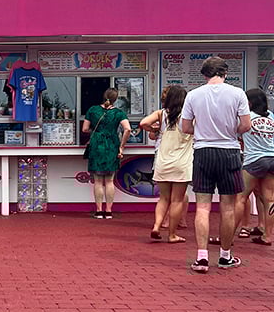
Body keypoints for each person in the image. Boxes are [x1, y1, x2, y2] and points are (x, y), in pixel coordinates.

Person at [181, 57, 251, 272]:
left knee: (202, 206)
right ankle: (225, 255)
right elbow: (246, 125)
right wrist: (231, 131)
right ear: (225, 72)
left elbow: (185, 127)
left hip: (203, 151)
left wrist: (202, 132)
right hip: (229, 151)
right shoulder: (238, 93)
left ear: (204, 74)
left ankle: (202, 257)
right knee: (228, 206)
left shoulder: (193, 95)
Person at [140, 85, 193, 243]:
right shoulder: (190, 116)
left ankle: (156, 226)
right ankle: (172, 234)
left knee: (163, 198)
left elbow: (143, 123)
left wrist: (156, 130)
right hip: (182, 163)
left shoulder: (161, 114)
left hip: (162, 161)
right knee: (177, 200)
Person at [82, 88, 131, 218]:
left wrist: (95, 131)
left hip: (96, 145)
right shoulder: (118, 113)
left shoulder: (92, 110)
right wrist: (122, 146)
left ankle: (98, 211)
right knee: (109, 181)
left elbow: (85, 129)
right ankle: (108, 211)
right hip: (112, 145)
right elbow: (128, 129)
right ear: (116, 99)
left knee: (98, 181)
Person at [234, 88, 274, 246]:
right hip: (272, 158)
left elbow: (236, 133)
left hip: (254, 160)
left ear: (249, 102)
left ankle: (228, 237)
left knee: (240, 197)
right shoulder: (272, 116)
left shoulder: (247, 117)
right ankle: (267, 236)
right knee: (270, 199)